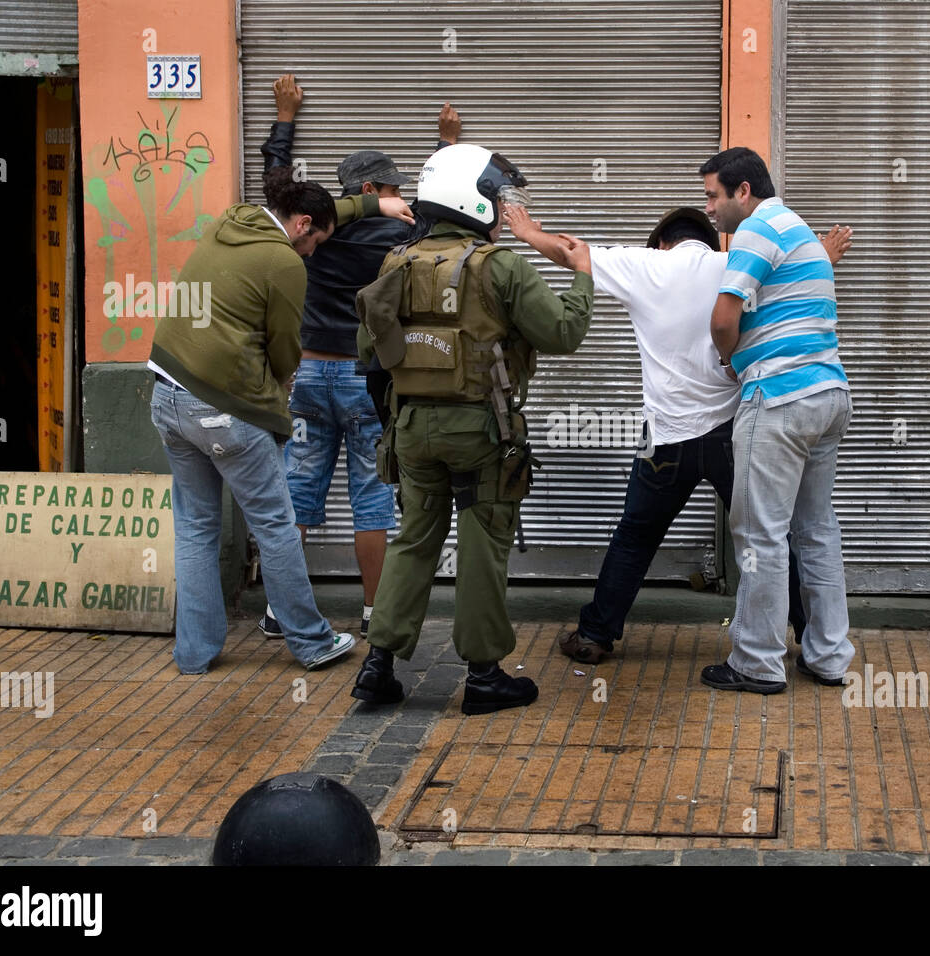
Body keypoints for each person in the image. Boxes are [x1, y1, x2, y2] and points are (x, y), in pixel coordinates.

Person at [502, 204, 851, 665]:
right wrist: (823, 254)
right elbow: (791, 277)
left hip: (666, 437)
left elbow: (573, 254)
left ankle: (595, 634)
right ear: (708, 240)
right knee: (770, 534)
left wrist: (526, 232)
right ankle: (810, 637)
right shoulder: (732, 265)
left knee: (635, 537)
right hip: (732, 432)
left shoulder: (646, 266)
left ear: (662, 242)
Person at [351, 143, 594, 714]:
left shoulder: (395, 262)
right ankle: (484, 678)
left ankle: (378, 665)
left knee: (413, 542)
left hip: (410, 431)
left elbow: (369, 351)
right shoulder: (501, 267)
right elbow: (562, 333)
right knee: (485, 544)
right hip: (483, 431)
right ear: (474, 201)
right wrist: (583, 277)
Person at [147, 166, 415, 674]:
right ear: (301, 226)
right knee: (275, 524)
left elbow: (323, 212)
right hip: (224, 410)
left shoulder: (233, 221)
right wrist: (276, 403)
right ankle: (312, 643)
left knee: (196, 527)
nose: (314, 253)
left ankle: (194, 654)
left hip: (167, 395)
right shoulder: (286, 264)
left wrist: (373, 205)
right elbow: (284, 349)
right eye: (314, 242)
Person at [255, 73, 462, 640]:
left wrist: (285, 117)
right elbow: (444, 207)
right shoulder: (406, 230)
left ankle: (280, 611)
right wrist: (445, 144)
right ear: (378, 188)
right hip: (363, 379)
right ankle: (374, 612)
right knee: (371, 498)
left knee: (298, 492)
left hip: (309, 376)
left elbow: (274, 183)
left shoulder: (312, 227)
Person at [698, 146, 855, 694]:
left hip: (780, 397)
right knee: (816, 532)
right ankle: (830, 656)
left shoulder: (756, 231)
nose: (710, 210)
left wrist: (727, 356)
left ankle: (756, 662)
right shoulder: (800, 230)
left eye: (714, 196)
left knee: (759, 535)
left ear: (744, 191)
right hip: (829, 393)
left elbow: (724, 317)